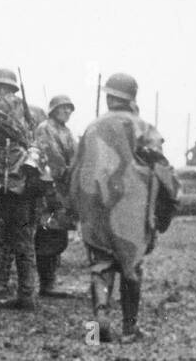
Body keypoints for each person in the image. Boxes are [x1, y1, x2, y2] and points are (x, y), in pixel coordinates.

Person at [67, 72, 178, 342]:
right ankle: (129, 330)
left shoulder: (92, 127)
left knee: (100, 265)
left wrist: (74, 209)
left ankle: (96, 328)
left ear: (109, 97)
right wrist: (166, 210)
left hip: (94, 204)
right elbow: (162, 171)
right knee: (131, 265)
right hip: (132, 207)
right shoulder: (144, 127)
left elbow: (74, 170)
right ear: (131, 99)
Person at [0, 67, 45, 311]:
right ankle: (24, 292)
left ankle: (25, 295)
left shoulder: (2, 106)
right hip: (26, 183)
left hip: (16, 184)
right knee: (21, 238)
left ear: (1, 86)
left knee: (18, 238)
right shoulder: (28, 110)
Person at [34, 93, 78, 296]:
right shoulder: (45, 128)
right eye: (63, 108)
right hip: (48, 186)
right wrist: (68, 171)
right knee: (47, 234)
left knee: (58, 234)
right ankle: (46, 283)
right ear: (53, 110)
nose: (67, 111)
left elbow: (75, 157)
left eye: (69, 108)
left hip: (63, 188)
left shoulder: (66, 131)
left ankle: (51, 281)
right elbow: (53, 158)